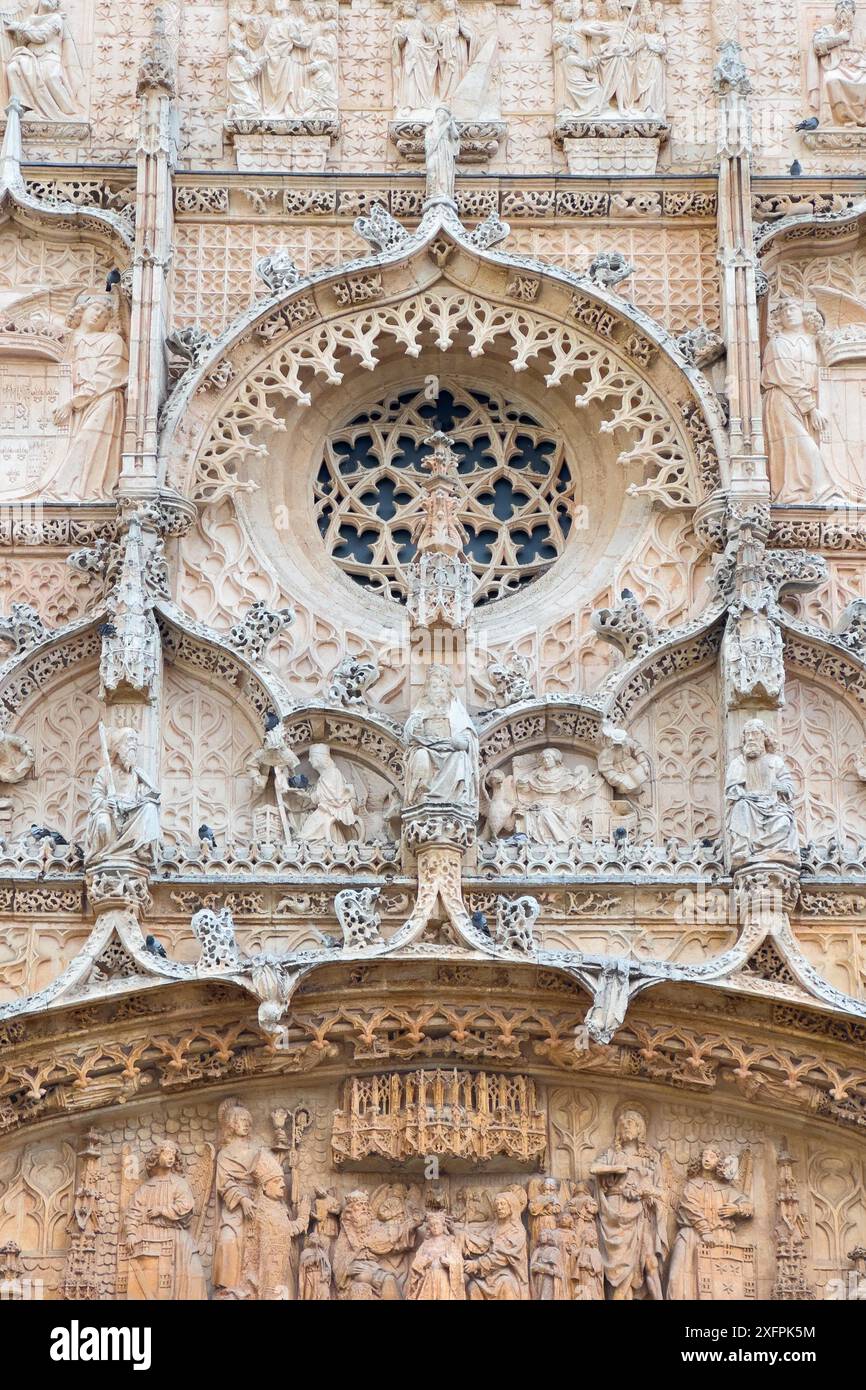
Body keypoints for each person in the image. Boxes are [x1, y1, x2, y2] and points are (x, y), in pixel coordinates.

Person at [52, 293, 128, 500]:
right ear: (82, 310)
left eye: (105, 315)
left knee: (87, 443)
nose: (99, 316)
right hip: (68, 401)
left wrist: (72, 403)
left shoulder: (112, 341)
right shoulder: (62, 339)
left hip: (100, 400)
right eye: (96, 309)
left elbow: (107, 377)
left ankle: (76, 491)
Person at [761, 300, 838, 503]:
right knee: (802, 448)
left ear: (804, 313)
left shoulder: (811, 342)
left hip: (807, 401)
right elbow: (788, 377)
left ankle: (803, 494)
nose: (788, 313)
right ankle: (818, 493)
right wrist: (811, 409)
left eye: (793, 309)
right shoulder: (777, 343)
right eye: (784, 311)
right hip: (783, 400)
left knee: (804, 448)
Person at [590, 1109, 666, 1300]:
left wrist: (647, 1192)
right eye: (622, 1124)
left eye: (631, 1123)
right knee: (621, 1266)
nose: (625, 1127)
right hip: (615, 1213)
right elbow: (594, 1168)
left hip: (641, 1214)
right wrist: (618, 1168)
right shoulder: (612, 1154)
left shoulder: (651, 1159)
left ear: (640, 1129)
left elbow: (661, 1191)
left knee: (650, 1263)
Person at [666, 1148, 753, 1301]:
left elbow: (749, 1207)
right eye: (704, 1155)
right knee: (676, 1278)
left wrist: (737, 1209)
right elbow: (689, 1207)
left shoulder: (727, 1189)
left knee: (720, 1286)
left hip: (720, 1237)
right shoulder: (692, 1185)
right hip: (691, 1235)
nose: (707, 1158)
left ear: (719, 1162)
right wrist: (705, 1231)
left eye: (712, 1156)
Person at [125, 1140, 207, 1301]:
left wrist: (162, 1210)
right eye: (166, 1153)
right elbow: (133, 1212)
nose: (170, 1157)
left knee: (195, 1274)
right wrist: (131, 1234)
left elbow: (186, 1206)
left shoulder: (179, 1184)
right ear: (157, 1156)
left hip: (176, 1238)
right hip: (150, 1237)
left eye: (173, 1154)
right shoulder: (145, 1188)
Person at [725, 719, 799, 869]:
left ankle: (774, 851)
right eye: (747, 735)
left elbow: (789, 786)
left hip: (773, 807)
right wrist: (740, 793)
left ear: (765, 737)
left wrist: (781, 787)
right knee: (740, 806)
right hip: (749, 803)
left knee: (784, 822)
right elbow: (731, 790)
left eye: (755, 734)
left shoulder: (775, 761)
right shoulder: (738, 763)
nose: (751, 738)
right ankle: (742, 849)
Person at [404, 663, 478, 811]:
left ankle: (457, 799)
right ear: (428, 689)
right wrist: (416, 727)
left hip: (449, 749)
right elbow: (408, 733)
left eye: (442, 687)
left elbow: (468, 734)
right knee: (420, 756)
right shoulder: (422, 708)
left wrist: (462, 741)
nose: (438, 691)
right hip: (427, 749)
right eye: (434, 686)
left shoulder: (455, 709)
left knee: (460, 757)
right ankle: (420, 795)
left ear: (448, 689)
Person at [85, 726, 160, 869]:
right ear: (118, 748)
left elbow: (146, 795)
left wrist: (144, 799)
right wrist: (106, 803)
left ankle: (142, 849)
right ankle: (103, 852)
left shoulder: (138, 774)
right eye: (129, 741)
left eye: (135, 743)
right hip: (111, 812)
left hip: (132, 813)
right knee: (102, 823)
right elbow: (96, 796)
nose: (133, 745)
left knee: (150, 808)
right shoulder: (105, 772)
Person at [405, 1210, 465, 1300]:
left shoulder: (449, 1243)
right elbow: (415, 1265)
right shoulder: (425, 1244)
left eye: (437, 1224)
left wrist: (450, 1263)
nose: (435, 1227)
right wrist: (424, 1261)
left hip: (444, 1280)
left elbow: (459, 1262)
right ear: (429, 1227)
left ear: (443, 1225)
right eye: (432, 1225)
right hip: (428, 1279)